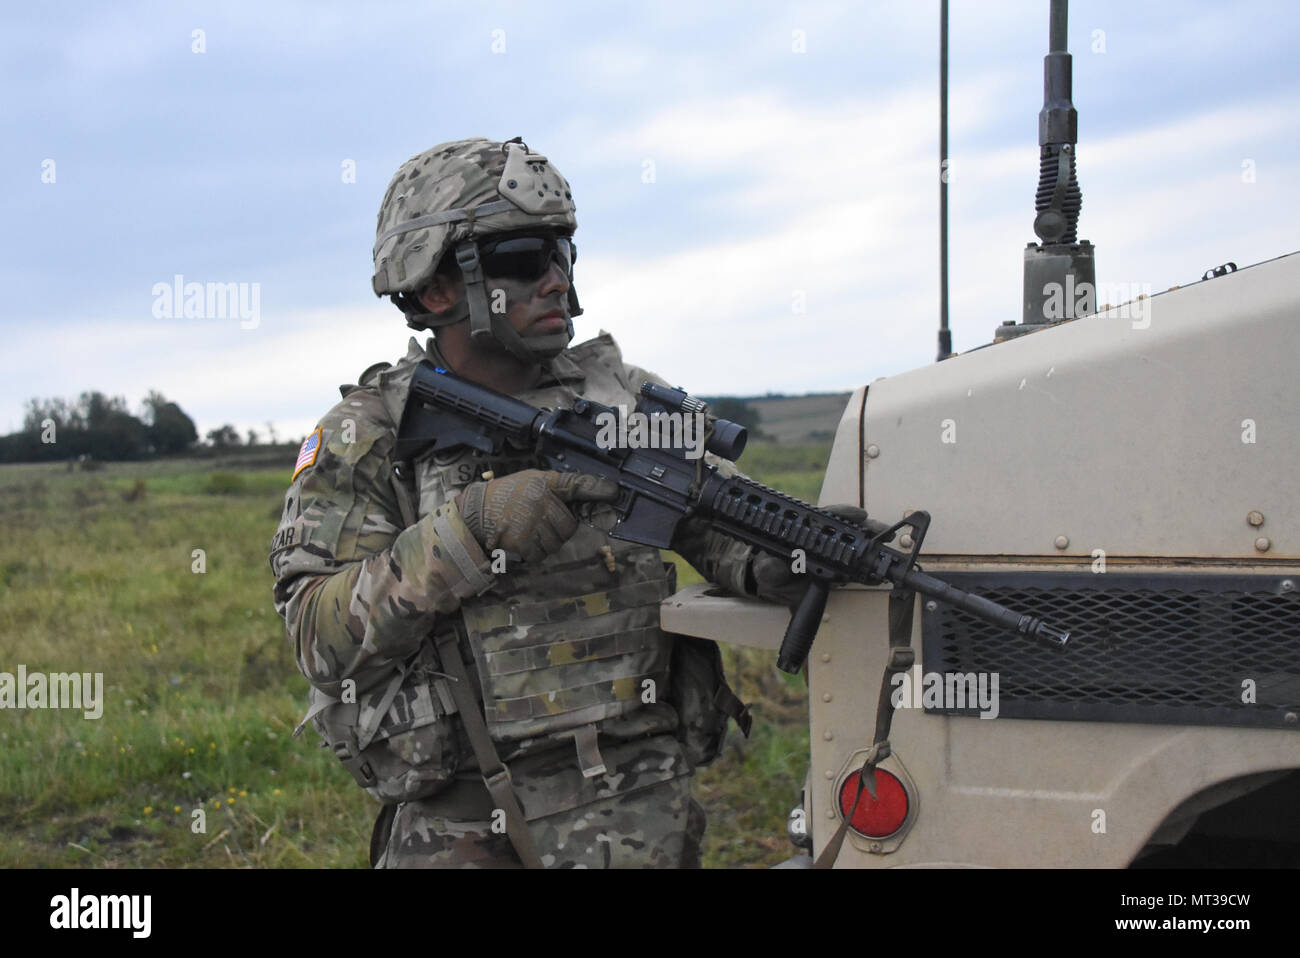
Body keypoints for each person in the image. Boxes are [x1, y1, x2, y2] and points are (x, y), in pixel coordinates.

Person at [269, 136, 784, 868]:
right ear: (436, 287)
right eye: (521, 259)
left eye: (561, 255)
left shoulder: (622, 399)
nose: (554, 280)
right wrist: (468, 535)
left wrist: (784, 556)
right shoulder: (373, 433)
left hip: (640, 811)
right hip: (467, 829)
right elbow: (317, 638)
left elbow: (715, 521)